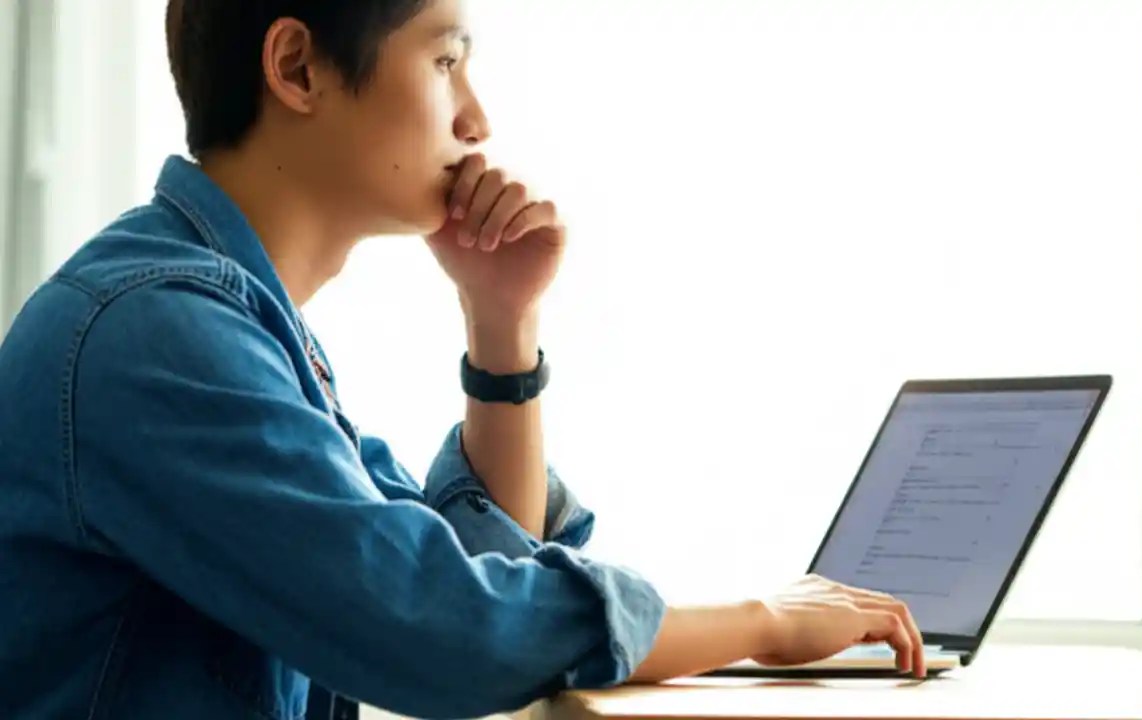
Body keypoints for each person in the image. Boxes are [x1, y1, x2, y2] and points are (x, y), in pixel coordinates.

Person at [0, 1, 926, 718]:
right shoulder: (153, 339)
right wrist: (758, 627)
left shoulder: (230, 325)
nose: (477, 119)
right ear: (296, 66)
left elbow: (477, 560)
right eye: (445, 61)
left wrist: (499, 323)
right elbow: (447, 630)